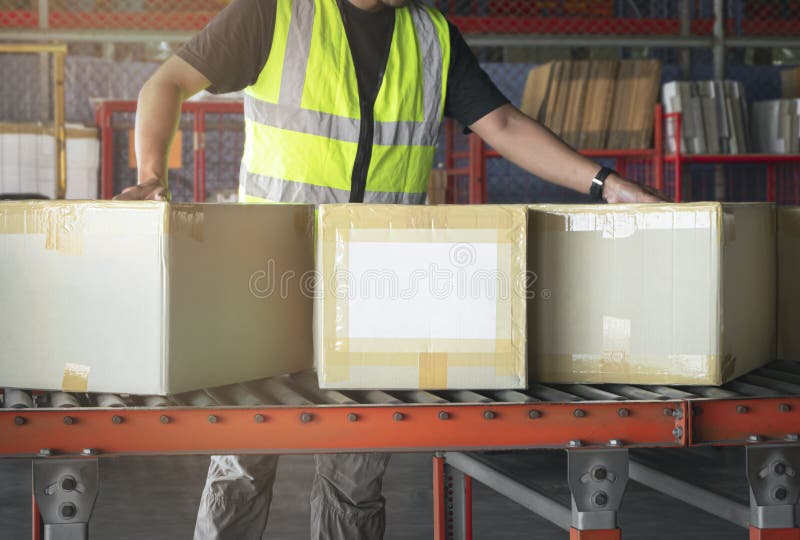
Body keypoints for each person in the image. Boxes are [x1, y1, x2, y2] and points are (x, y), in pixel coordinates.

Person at [117, 0, 668, 538]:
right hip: (270, 281)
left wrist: (608, 185)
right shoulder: (274, 13)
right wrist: (150, 175)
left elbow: (501, 123)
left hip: (381, 289)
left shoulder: (431, 36)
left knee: (356, 477)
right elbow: (165, 84)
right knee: (242, 463)